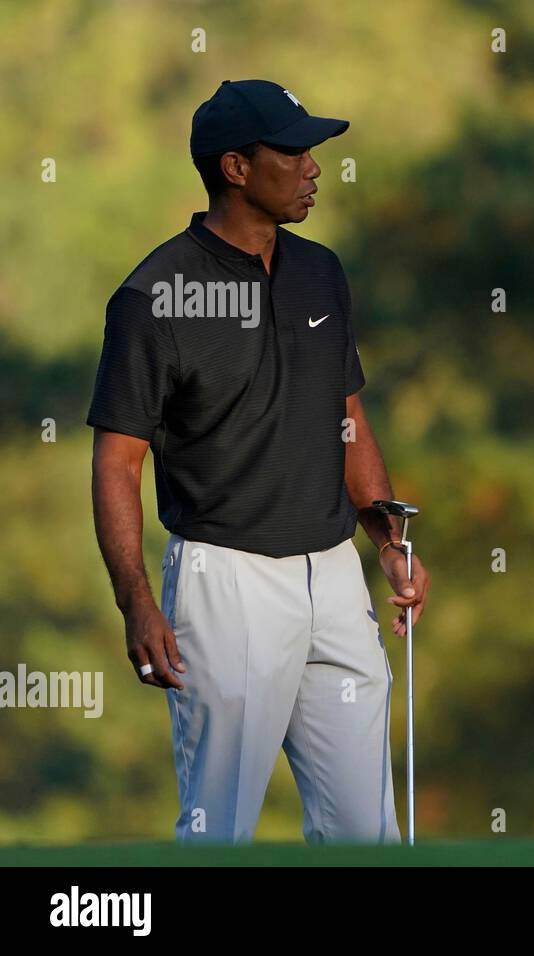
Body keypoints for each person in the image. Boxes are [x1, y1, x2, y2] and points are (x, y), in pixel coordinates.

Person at [87, 80, 430, 843]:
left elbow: (347, 416)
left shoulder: (320, 272)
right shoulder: (153, 296)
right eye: (294, 151)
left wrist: (388, 543)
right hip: (225, 584)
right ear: (237, 168)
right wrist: (136, 603)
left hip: (335, 577)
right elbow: (117, 464)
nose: (314, 167)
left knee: (365, 836)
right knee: (219, 831)